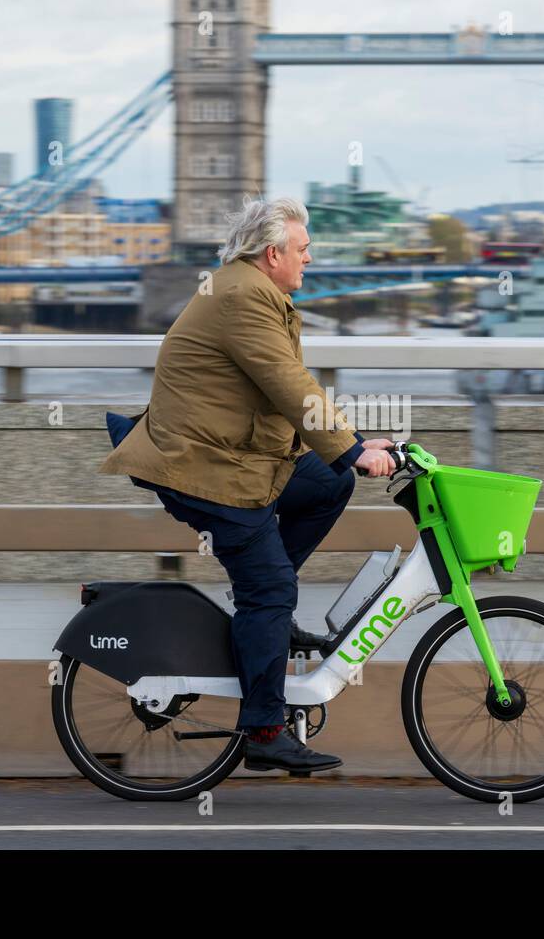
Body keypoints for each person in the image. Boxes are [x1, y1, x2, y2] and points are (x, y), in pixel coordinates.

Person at [98, 195, 396, 774]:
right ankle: (263, 728)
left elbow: (285, 388)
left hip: (237, 457)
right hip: (205, 470)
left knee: (330, 483)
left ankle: (263, 611)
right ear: (272, 253)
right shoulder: (242, 297)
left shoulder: (257, 292)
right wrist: (354, 447)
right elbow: (288, 383)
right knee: (271, 588)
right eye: (304, 250)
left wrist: (352, 447)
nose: (310, 259)